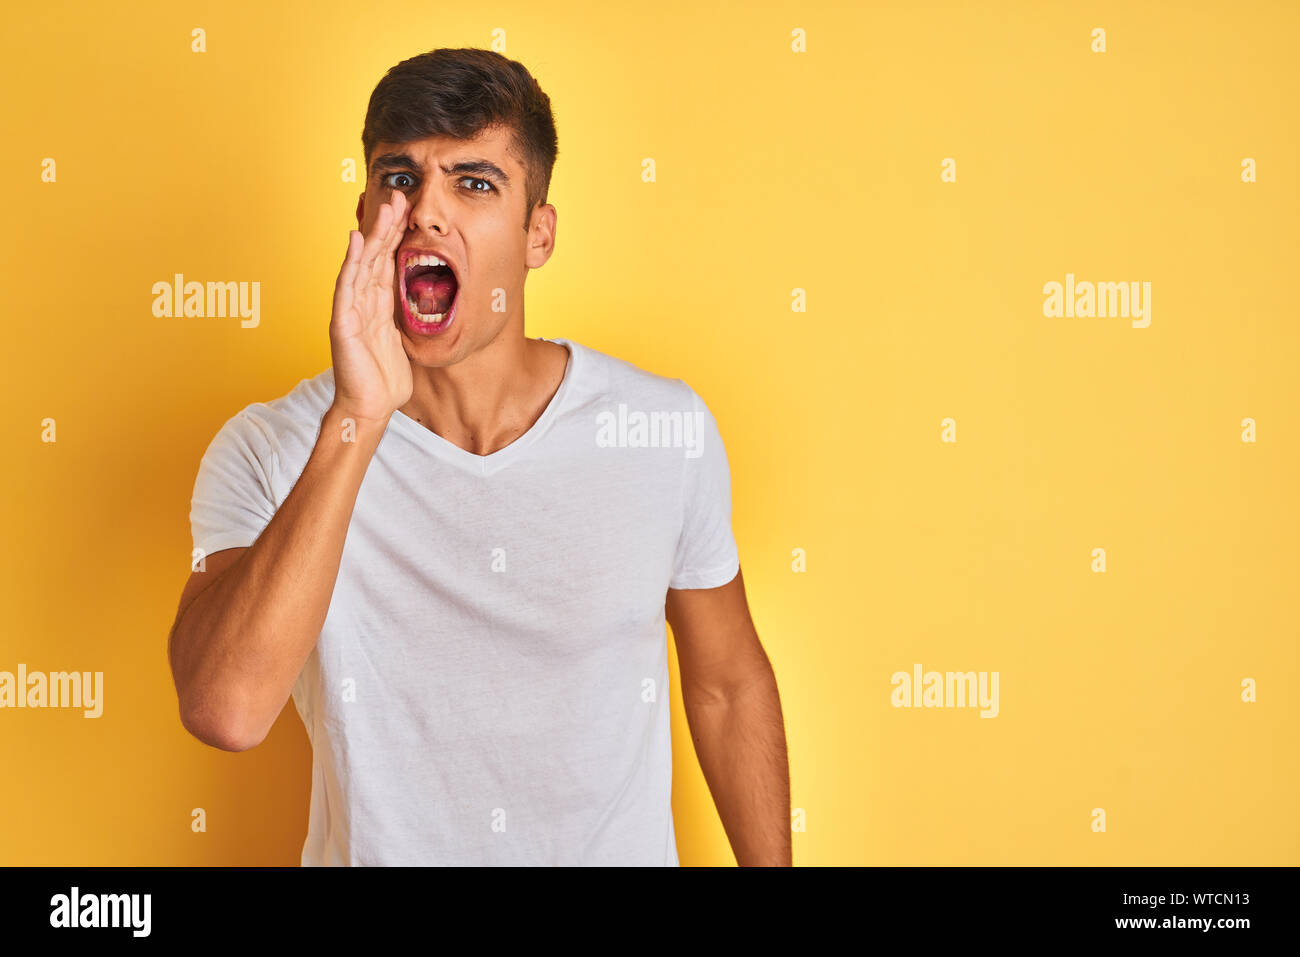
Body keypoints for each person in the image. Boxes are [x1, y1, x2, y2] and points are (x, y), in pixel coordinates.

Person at [167, 47, 790, 866]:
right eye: (400, 177)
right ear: (365, 215)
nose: (427, 210)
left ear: (539, 233)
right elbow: (227, 708)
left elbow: (727, 684)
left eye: (475, 182)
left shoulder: (660, 429)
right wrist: (357, 419)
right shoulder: (273, 447)